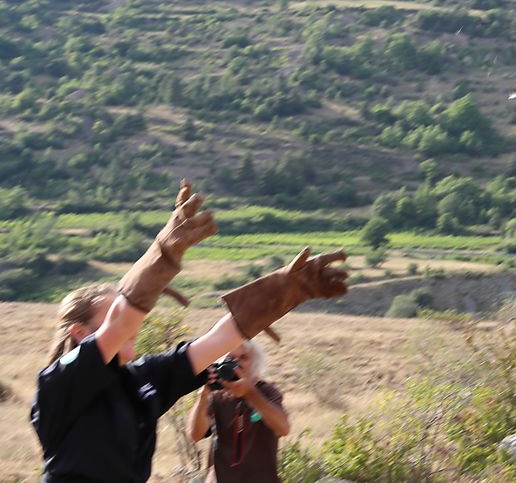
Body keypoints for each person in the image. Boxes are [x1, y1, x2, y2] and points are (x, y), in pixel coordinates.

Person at [31, 181, 348, 483]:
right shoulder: (59, 383)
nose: (135, 326)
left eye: (122, 311)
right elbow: (123, 319)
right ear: (80, 332)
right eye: (110, 315)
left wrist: (285, 291)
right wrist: (163, 254)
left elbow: (220, 340)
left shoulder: (143, 378)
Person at [187, 339, 289, 482]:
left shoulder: (265, 392)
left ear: (255, 363)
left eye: (244, 358)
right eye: (231, 359)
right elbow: (196, 435)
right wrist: (203, 395)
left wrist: (250, 393)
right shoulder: (218, 395)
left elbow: (283, 428)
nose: (237, 364)